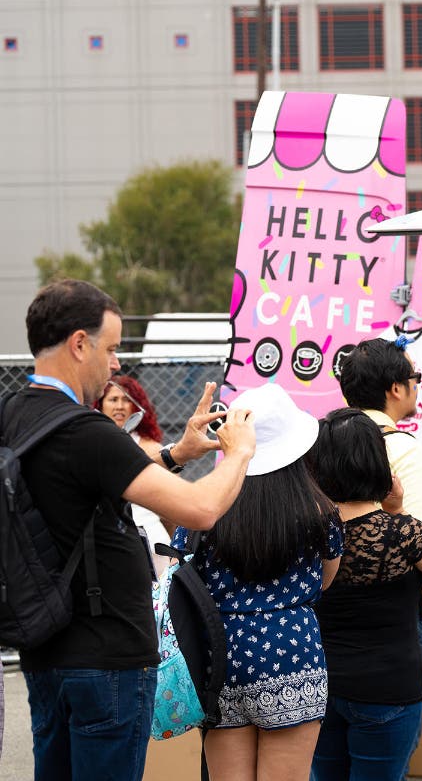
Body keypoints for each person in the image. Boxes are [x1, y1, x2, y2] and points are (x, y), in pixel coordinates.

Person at [7, 278, 255, 781]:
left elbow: (99, 473)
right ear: (80, 344)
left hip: (43, 647)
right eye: (113, 347)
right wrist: (240, 451)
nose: (117, 363)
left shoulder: (14, 415)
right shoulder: (87, 431)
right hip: (106, 657)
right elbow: (202, 509)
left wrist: (177, 453)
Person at [172, 382, 343, 781]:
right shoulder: (320, 511)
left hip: (219, 655)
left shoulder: (202, 509)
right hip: (292, 652)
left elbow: (181, 573)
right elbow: (324, 581)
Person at [305, 408, 422, 781]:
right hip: (388, 688)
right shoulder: (404, 532)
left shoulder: (307, 535)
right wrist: (396, 511)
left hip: (319, 687)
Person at [337, 337, 422, 674]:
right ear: (396, 389)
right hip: (396, 608)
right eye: (415, 380)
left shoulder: (325, 441)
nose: (416, 388)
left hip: (333, 600)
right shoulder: (403, 449)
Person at [94, 375, 172, 579]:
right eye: (113, 399)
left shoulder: (151, 447)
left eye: (126, 399)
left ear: (137, 407)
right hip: (107, 542)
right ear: (100, 405)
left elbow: (169, 507)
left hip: (152, 541)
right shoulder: (89, 442)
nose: (120, 406)